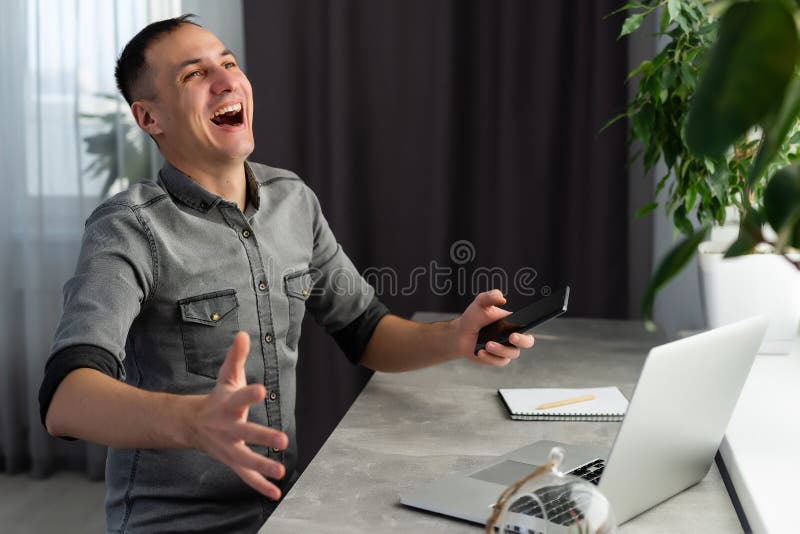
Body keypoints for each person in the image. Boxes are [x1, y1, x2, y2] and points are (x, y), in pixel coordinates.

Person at [39, 14, 534, 533]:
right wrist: (192, 422)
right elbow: (66, 399)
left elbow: (365, 331)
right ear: (149, 118)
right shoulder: (129, 228)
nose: (227, 80)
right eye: (193, 75)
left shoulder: (292, 200)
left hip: (287, 512)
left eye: (228, 63)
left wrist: (454, 337)